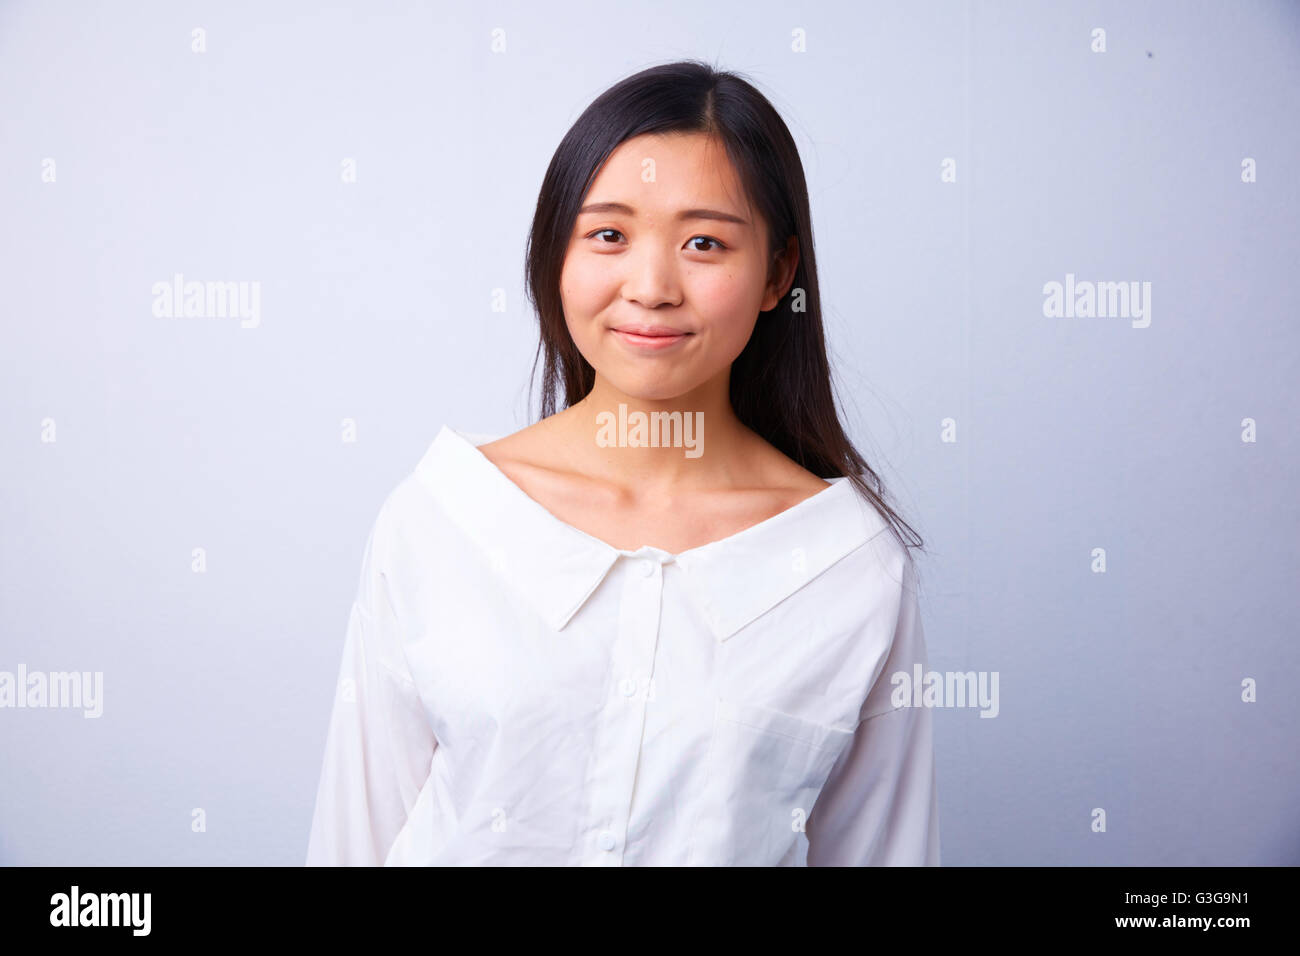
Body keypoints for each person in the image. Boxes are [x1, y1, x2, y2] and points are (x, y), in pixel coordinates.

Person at [305, 59, 939, 866]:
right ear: (556, 253)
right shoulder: (444, 516)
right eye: (608, 234)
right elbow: (356, 836)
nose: (651, 286)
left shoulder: (848, 566)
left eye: (704, 243)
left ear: (778, 273)